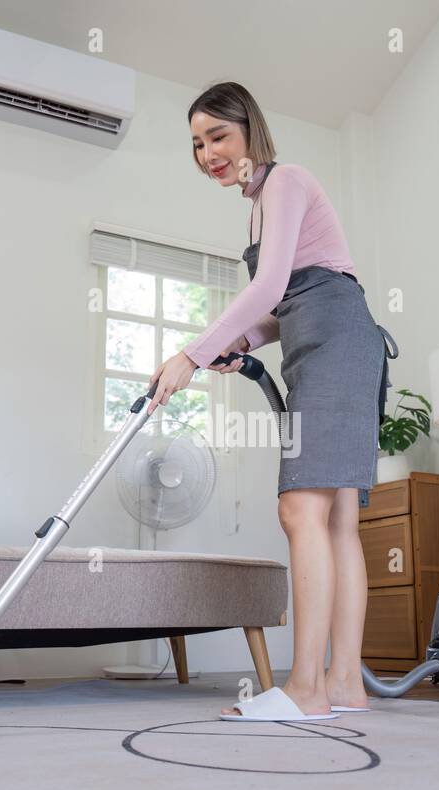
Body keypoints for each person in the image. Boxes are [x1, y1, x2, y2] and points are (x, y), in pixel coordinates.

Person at [146, 82, 388, 721]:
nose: (207, 153)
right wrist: (240, 344)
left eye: (218, 136)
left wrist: (192, 354)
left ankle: (306, 689)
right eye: (197, 143)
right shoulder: (256, 209)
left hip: (337, 336)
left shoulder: (286, 181)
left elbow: (277, 286)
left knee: (298, 508)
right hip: (326, 338)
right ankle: (342, 685)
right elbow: (283, 307)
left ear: (250, 129)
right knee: (336, 519)